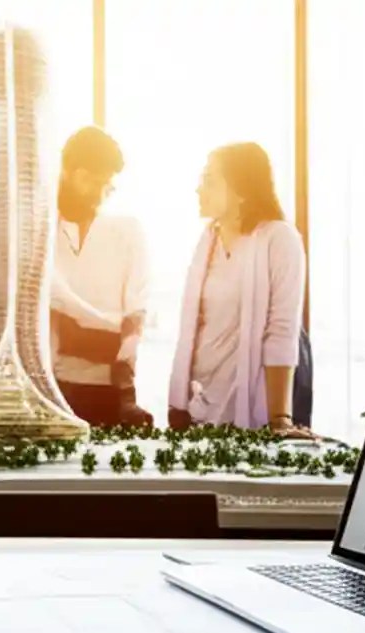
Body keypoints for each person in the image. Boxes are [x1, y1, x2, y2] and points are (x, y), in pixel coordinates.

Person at [167, 142, 310, 436]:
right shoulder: (207, 240)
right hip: (200, 407)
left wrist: (280, 419)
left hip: (247, 403)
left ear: (242, 191)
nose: (198, 189)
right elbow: (193, 330)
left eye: (209, 180)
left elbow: (281, 330)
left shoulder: (279, 239)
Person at [49, 126, 153, 428]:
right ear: (66, 172)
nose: (98, 193)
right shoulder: (40, 235)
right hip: (51, 390)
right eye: (88, 180)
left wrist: (126, 392)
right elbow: (49, 296)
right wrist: (109, 328)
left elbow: (136, 313)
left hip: (109, 391)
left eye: (105, 185)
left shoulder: (127, 232)